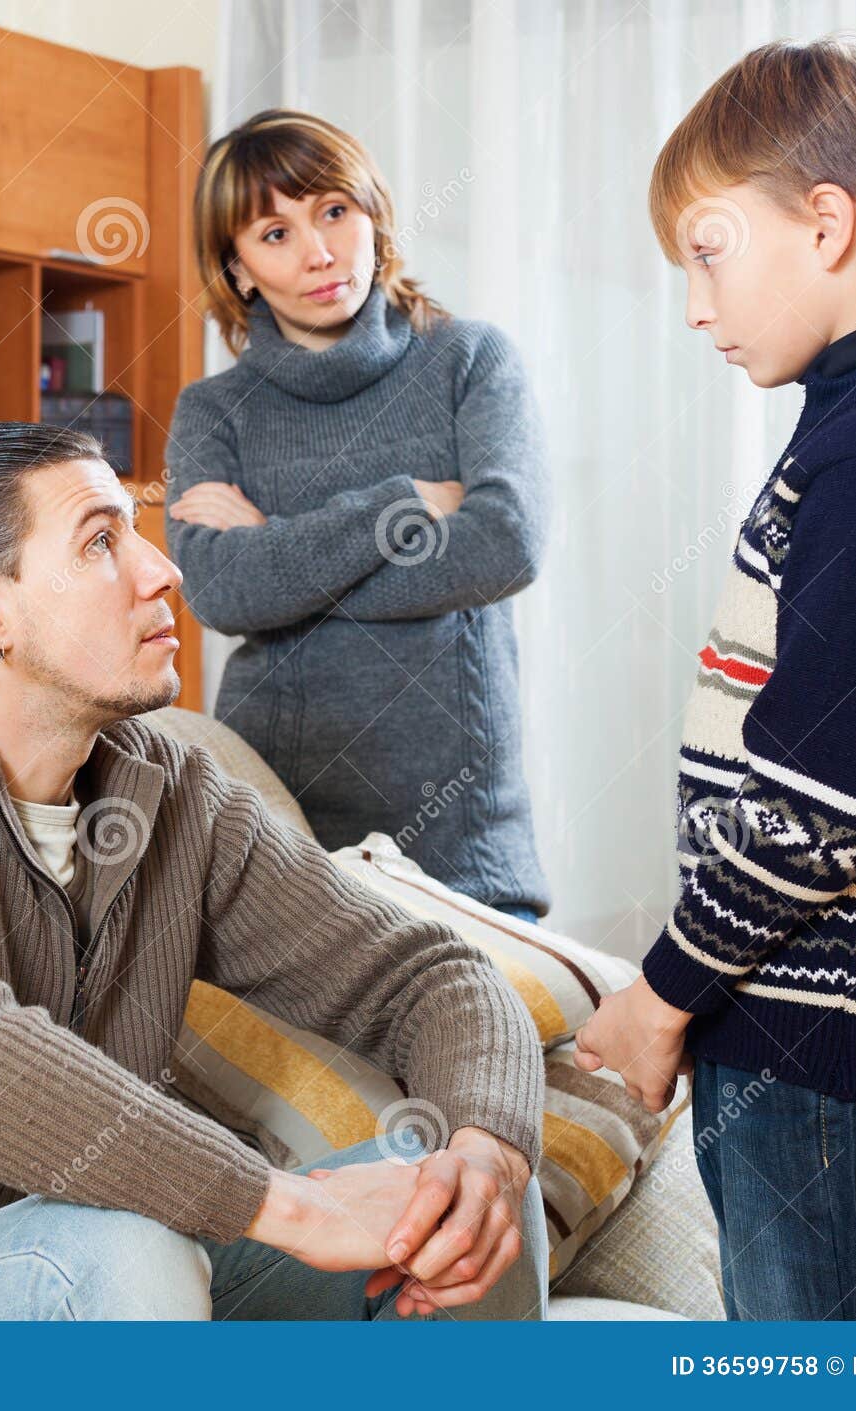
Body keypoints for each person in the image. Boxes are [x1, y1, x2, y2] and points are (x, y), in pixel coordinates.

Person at [0, 421, 549, 1322]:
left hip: (75, 1281)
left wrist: (486, 1149)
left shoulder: (171, 795)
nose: (164, 572)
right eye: (102, 542)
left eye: (139, 533)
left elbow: (433, 976)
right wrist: (286, 1205)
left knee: (461, 1211)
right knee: (125, 1241)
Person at [573, 38, 856, 1321]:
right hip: (820, 1023)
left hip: (820, 1039)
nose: (694, 308)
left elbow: (823, 806)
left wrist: (661, 996)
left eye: (706, 255)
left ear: (826, 222)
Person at [165, 109, 552, 925]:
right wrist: (398, 501)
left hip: (460, 833)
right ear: (237, 270)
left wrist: (279, 551)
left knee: (488, 1048)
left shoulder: (468, 360)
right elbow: (224, 596)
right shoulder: (213, 412)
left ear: (372, 213)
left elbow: (504, 546)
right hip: (276, 820)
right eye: (275, 233)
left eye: (334, 211)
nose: (318, 251)